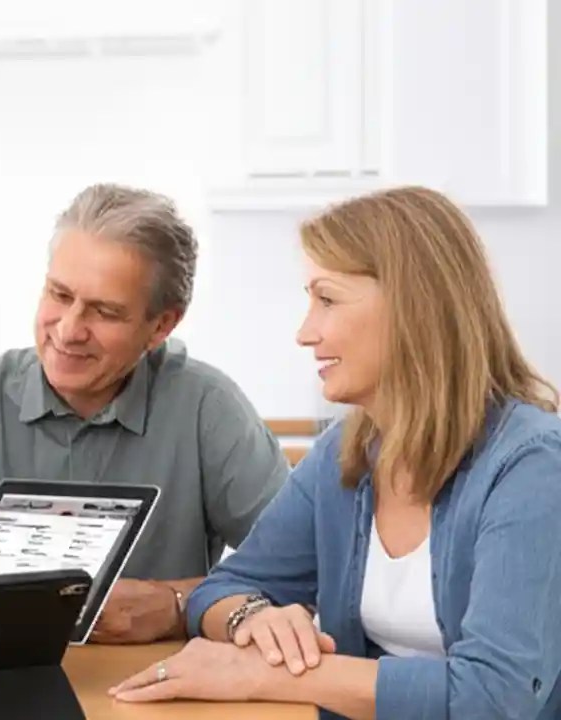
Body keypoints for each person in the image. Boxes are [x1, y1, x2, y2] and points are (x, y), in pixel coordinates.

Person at [110, 186, 561, 719]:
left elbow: (493, 697)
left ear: (413, 306)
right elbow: (228, 586)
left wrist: (266, 673)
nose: (305, 332)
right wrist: (253, 618)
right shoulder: (345, 454)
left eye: (326, 299)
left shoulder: (531, 467)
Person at [0, 183, 289, 644]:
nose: (69, 330)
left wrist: (176, 606)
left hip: (156, 689)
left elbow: (299, 567)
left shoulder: (207, 408)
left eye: (105, 312)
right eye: (59, 294)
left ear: (161, 325)